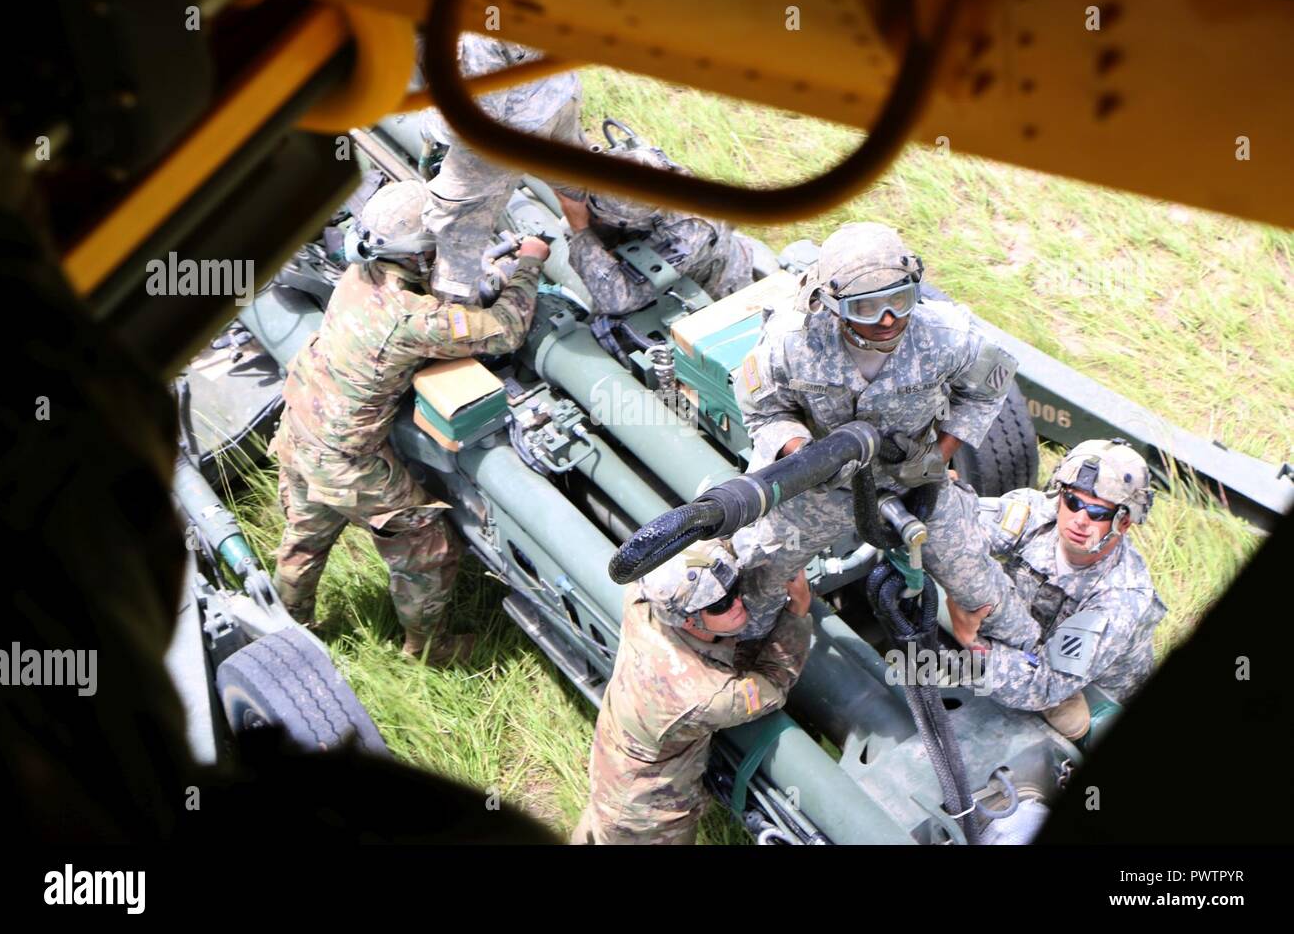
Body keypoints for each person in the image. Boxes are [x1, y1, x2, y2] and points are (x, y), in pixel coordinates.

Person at [271, 179, 550, 664]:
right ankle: (428, 652)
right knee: (429, 551)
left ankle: (287, 626)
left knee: (305, 538)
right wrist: (528, 264)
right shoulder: (410, 318)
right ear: (421, 255)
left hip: (301, 425)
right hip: (347, 460)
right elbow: (504, 331)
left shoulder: (358, 276)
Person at [732, 221, 1018, 640]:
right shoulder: (790, 343)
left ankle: (1032, 665)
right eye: (865, 308)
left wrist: (940, 454)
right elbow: (762, 411)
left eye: (900, 301)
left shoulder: (947, 338)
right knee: (758, 577)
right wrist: (807, 457)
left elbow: (989, 388)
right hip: (815, 488)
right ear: (832, 304)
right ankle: (745, 660)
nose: (888, 320)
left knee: (977, 579)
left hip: (914, 479)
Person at [571, 541, 813, 844]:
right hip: (648, 817)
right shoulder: (704, 696)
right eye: (719, 604)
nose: (736, 603)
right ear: (689, 619)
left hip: (611, 767)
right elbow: (774, 682)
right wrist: (798, 611)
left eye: (733, 587)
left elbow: (690, 562)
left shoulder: (645, 603)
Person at [946, 439, 1166, 740]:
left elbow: (1044, 687)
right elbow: (964, 529)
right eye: (1073, 502)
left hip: (1089, 692)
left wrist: (974, 645)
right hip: (1028, 648)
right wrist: (943, 501)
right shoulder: (1036, 513)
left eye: (1097, 513)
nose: (1080, 519)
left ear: (1124, 522)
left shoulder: (1121, 598)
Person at [419, 33, 585, 303]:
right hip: (558, 93)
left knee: (455, 232)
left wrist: (428, 123)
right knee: (573, 183)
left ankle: (462, 319)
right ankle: (600, 256)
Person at [554, 132, 754, 315]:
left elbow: (618, 299)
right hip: (647, 239)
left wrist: (581, 230)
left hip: (705, 286)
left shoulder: (688, 233)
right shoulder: (642, 163)